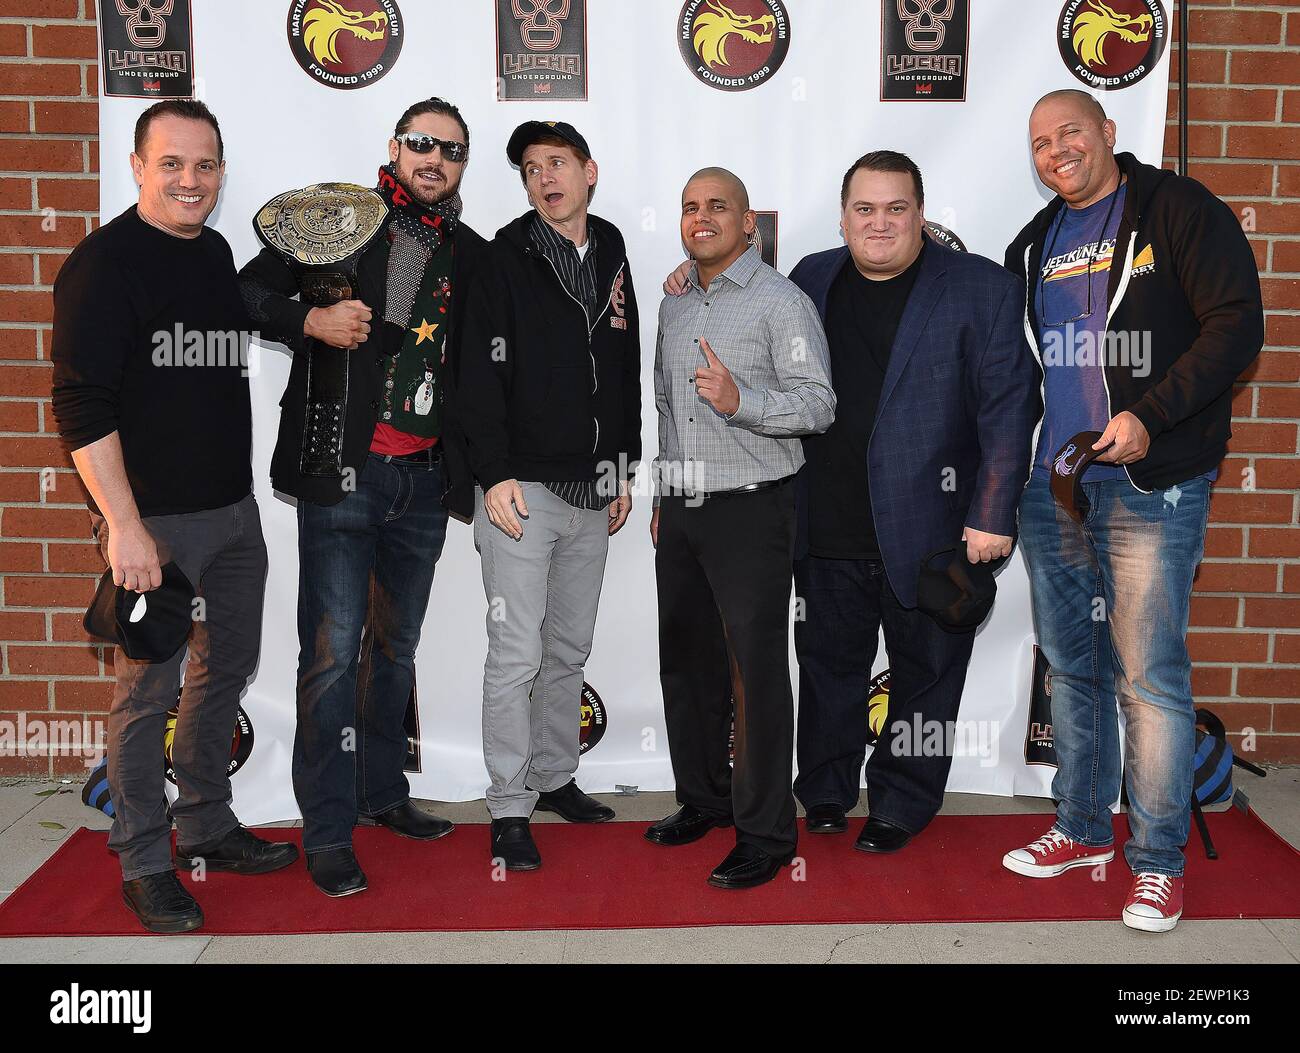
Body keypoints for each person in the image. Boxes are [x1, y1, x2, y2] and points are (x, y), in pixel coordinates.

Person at [1000, 90, 1263, 933]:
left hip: (1151, 483)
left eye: (1070, 132)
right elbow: (1016, 370)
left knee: (1148, 680)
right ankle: (1081, 829)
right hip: (1055, 485)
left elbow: (1235, 326)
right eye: (1041, 142)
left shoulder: (1177, 210)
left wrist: (1151, 416)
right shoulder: (1033, 243)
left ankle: (1156, 863)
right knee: (1072, 670)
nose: (1056, 150)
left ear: (1109, 133)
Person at [51, 99, 297, 934]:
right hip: (154, 522)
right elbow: (82, 408)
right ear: (137, 166)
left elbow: (237, 336)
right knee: (145, 693)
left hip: (232, 511)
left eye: (205, 165)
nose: (191, 181)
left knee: (224, 670)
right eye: (172, 164)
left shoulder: (217, 250)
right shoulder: (102, 265)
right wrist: (123, 525)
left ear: (221, 171)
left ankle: (207, 822)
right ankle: (146, 861)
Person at [238, 97, 487, 897]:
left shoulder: (471, 253)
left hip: (422, 479)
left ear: (460, 164)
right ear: (395, 147)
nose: (434, 158)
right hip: (342, 473)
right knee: (332, 656)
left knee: (397, 649)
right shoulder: (340, 218)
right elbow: (242, 292)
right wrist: (308, 319)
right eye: (422, 143)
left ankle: (384, 792)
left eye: (450, 149)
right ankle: (328, 830)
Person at [787, 151, 1040, 852]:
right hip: (827, 520)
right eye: (864, 209)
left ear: (920, 215)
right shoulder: (810, 276)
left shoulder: (982, 288)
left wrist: (992, 510)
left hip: (933, 528)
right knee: (828, 666)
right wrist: (696, 278)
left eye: (895, 208)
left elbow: (1011, 407)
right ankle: (828, 790)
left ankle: (902, 800)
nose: (879, 223)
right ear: (843, 217)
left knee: (926, 676)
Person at [458, 121, 641, 871]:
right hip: (521, 490)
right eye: (532, 169)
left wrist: (623, 466)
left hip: (592, 486)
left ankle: (555, 775)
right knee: (515, 655)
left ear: (589, 171)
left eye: (557, 164)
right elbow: (476, 370)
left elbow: (624, 360)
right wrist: (492, 471)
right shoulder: (505, 257)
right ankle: (508, 804)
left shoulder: (614, 246)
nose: (545, 178)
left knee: (567, 648)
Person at [647, 167, 835, 890]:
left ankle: (765, 834)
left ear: (747, 222)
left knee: (755, 676)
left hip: (754, 508)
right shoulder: (675, 306)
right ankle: (703, 799)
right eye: (690, 206)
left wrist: (741, 399)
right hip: (685, 507)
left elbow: (818, 404)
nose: (702, 218)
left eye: (717, 206)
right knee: (687, 664)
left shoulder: (780, 303)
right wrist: (665, 484)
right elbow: (666, 405)